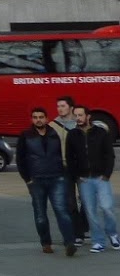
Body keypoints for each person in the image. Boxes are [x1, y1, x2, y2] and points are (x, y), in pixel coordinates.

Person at [18, 107, 78, 255]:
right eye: (35, 117)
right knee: (40, 214)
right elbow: (20, 159)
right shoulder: (26, 136)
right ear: (32, 119)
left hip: (56, 178)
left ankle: (69, 242)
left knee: (62, 211)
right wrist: (28, 179)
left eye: (41, 117)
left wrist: (62, 173)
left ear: (46, 118)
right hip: (36, 180)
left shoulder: (53, 134)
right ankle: (46, 242)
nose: (38, 119)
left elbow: (60, 155)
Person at [66, 105, 119, 252]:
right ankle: (98, 241)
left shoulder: (101, 132)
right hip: (84, 179)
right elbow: (70, 158)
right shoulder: (72, 135)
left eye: (81, 115)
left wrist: (106, 174)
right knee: (90, 211)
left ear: (88, 116)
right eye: (75, 115)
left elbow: (109, 155)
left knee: (107, 207)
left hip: (101, 177)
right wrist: (77, 175)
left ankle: (113, 234)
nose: (78, 118)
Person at [53, 95, 89, 242]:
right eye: (58, 106)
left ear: (71, 108)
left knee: (87, 200)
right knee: (70, 202)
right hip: (63, 167)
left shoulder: (80, 124)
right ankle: (77, 233)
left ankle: (82, 226)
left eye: (63, 106)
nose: (60, 109)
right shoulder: (53, 126)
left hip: (82, 168)